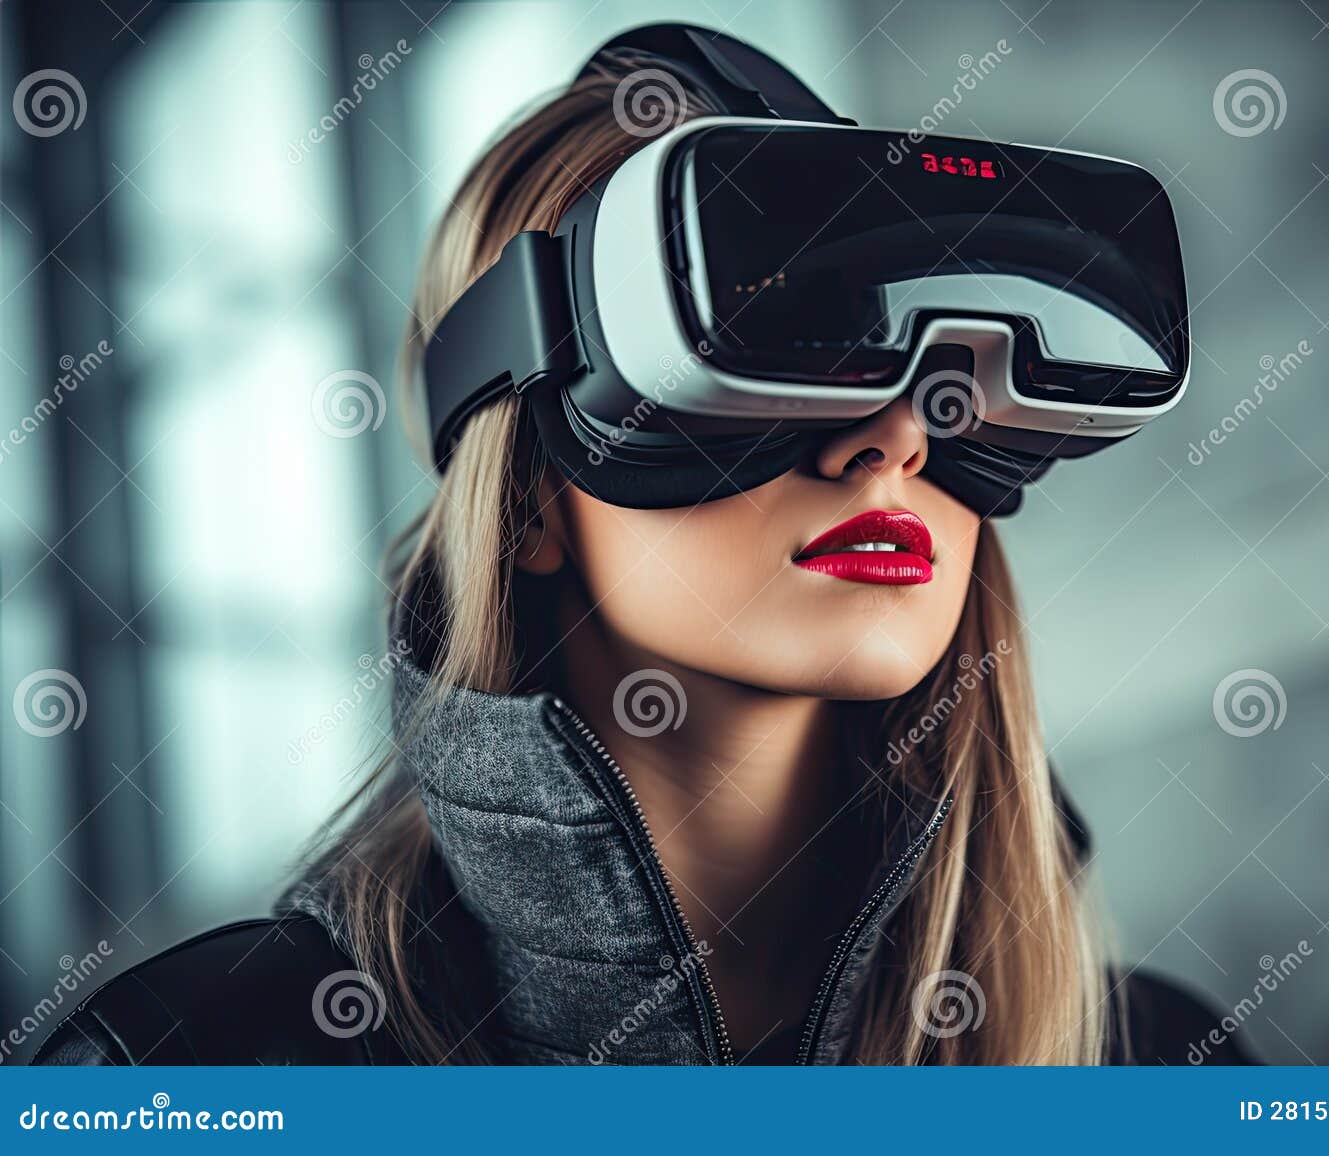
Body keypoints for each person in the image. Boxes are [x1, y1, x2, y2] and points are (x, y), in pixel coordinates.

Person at [34, 26, 1248, 1067]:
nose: (893, 438)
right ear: (526, 503)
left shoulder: (1159, 1068)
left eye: (940, 376)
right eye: (771, 347)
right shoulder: (192, 1066)